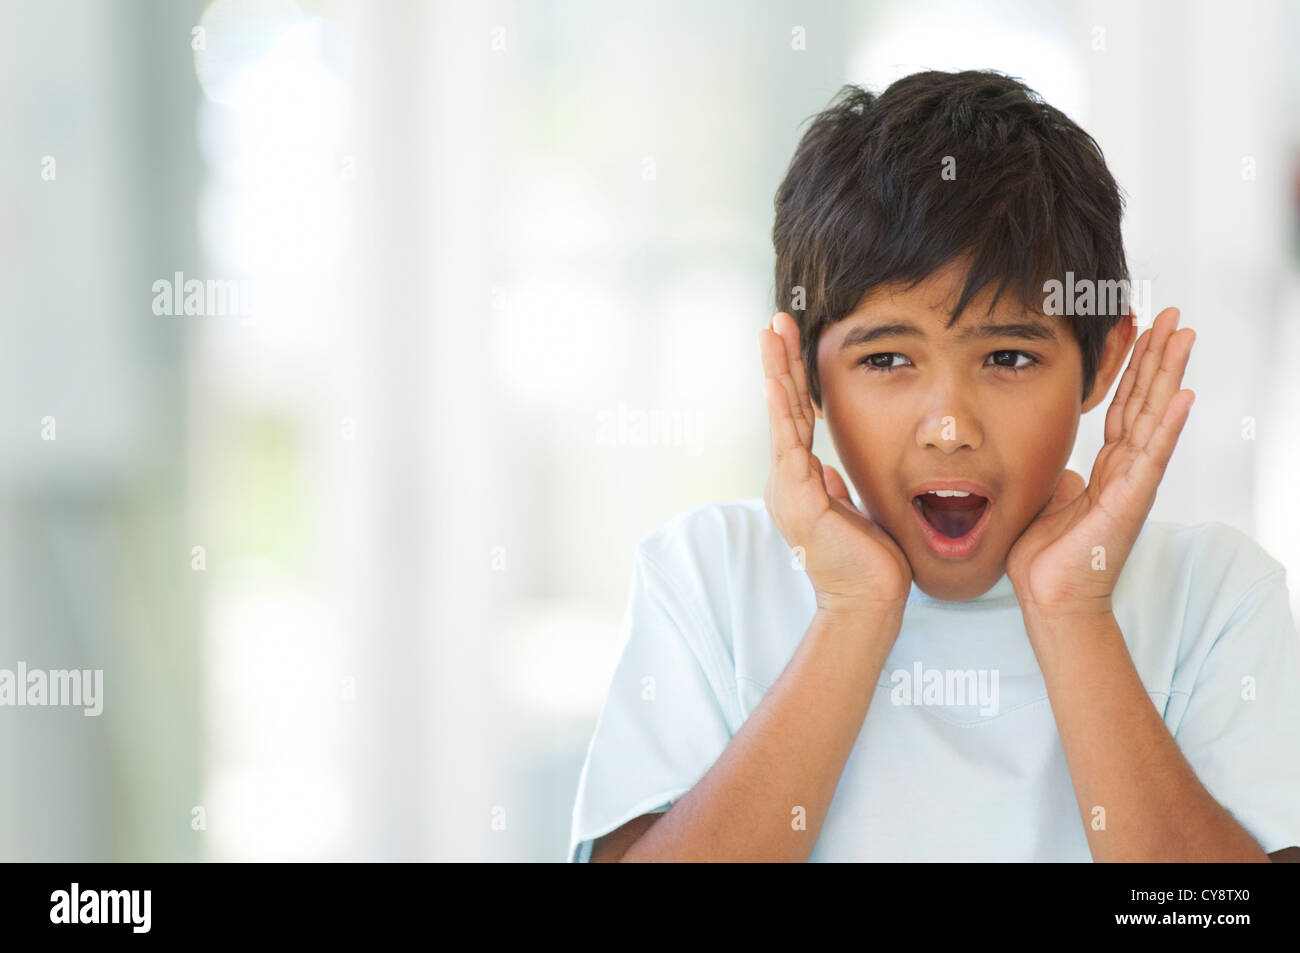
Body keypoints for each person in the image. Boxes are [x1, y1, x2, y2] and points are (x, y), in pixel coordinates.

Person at [567, 70, 1300, 862]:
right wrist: (851, 613)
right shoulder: (709, 579)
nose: (949, 427)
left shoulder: (1216, 598)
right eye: (886, 358)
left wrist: (1074, 615)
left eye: (1009, 355)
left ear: (1101, 365)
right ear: (806, 374)